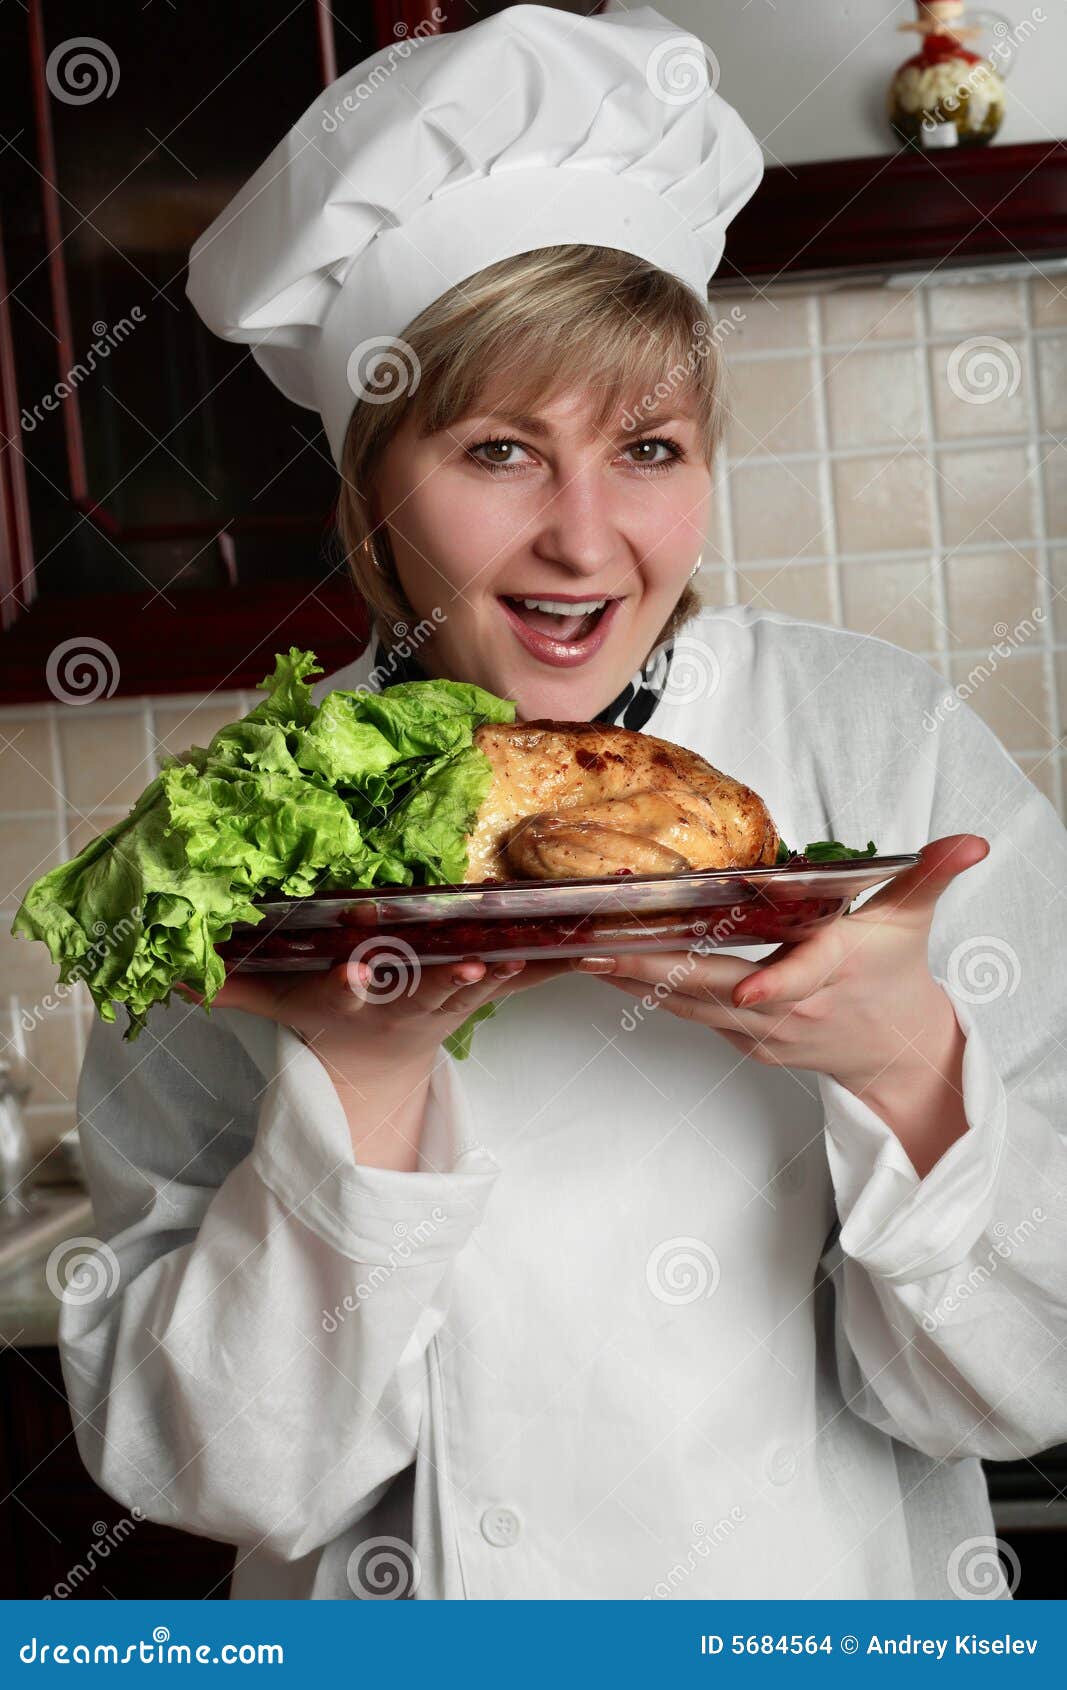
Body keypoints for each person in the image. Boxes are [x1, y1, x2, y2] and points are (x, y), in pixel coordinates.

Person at [59, 6, 1067, 1601]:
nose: (587, 542)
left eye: (649, 447)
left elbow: (1024, 1391)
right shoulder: (248, 840)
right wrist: (362, 1083)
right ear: (375, 478)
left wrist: (910, 1076)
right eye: (502, 449)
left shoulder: (880, 751)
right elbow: (216, 1475)